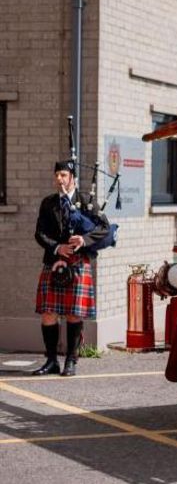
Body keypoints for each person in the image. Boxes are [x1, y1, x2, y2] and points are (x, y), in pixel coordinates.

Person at [33, 160, 109, 376]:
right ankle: (51, 361)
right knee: (48, 313)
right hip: (54, 262)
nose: (59, 179)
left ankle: (71, 361)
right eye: (57, 175)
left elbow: (104, 229)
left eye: (64, 175)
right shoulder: (48, 203)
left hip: (78, 263)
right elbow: (40, 233)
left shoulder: (86, 201)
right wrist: (58, 247)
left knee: (74, 314)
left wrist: (83, 240)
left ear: (73, 177)